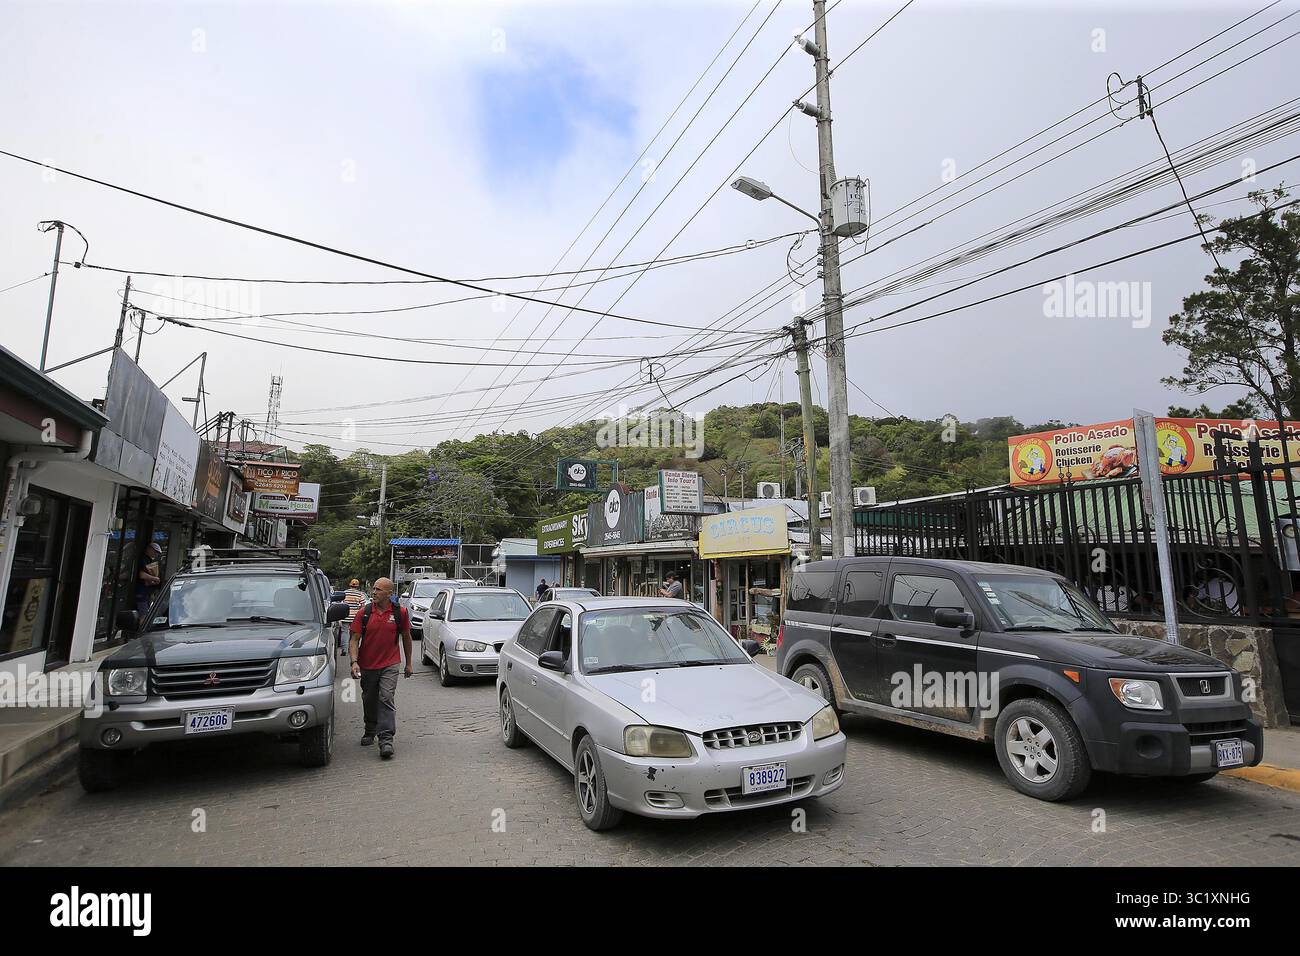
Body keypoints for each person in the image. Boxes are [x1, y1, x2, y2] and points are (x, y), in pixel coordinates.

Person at [348, 578, 413, 760]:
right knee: (369, 698)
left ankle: (386, 739)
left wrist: (408, 663)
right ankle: (370, 728)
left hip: (390, 664)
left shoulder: (400, 613)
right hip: (368, 665)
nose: (374, 592)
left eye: (378, 590)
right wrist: (354, 662)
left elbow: (407, 638)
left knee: (386, 697)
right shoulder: (365, 613)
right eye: (373, 589)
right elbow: (354, 640)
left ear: (389, 594)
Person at [339, 578, 366, 656]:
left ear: (350, 585)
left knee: (344, 632)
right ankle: (352, 649)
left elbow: (341, 604)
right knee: (353, 633)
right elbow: (362, 606)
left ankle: (344, 649)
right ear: (357, 586)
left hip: (345, 616)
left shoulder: (345, 593)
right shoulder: (360, 594)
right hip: (355, 617)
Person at [136, 541, 164, 615]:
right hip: (142, 592)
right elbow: (141, 574)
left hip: (146, 593)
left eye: (157, 553)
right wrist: (155, 579)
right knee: (144, 615)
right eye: (155, 551)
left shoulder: (149, 560)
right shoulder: (143, 559)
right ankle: (142, 626)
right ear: (149, 549)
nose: (156, 554)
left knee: (146, 613)